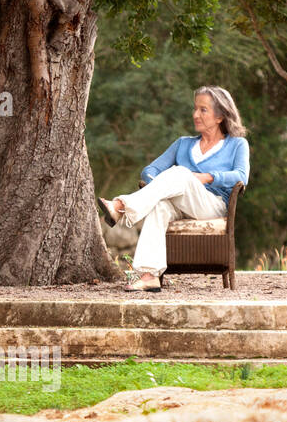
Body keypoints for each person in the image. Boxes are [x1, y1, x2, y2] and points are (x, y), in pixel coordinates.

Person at [98, 86, 249, 292]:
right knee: (160, 204)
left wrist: (208, 177)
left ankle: (122, 207)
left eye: (203, 110)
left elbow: (241, 176)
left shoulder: (237, 144)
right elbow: (149, 171)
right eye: (195, 109)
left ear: (220, 116)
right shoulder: (183, 144)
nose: (195, 114)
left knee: (180, 173)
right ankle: (148, 275)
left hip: (212, 206)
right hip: (180, 205)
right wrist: (161, 188)